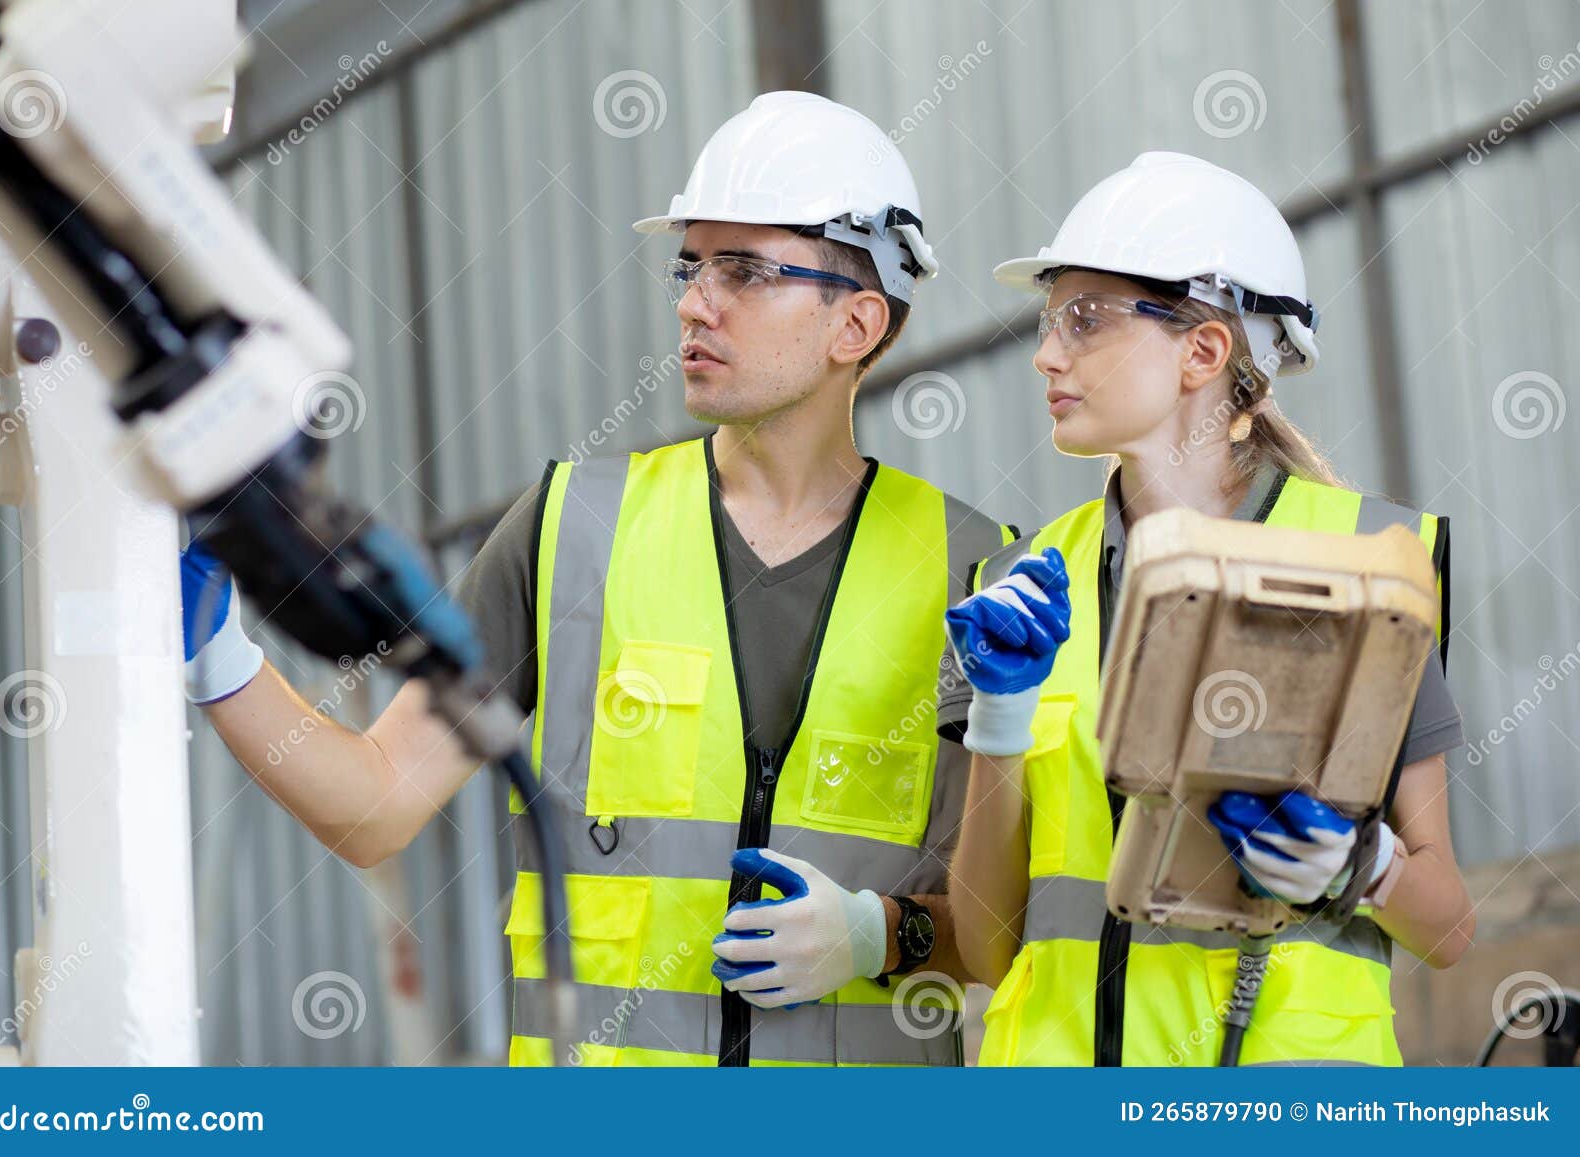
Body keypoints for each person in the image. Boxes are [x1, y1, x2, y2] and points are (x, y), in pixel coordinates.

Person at [180, 92, 1013, 1066]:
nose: (694, 302)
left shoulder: (976, 569)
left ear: (856, 323)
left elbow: (1008, 921)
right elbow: (373, 805)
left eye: (744, 270)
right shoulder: (572, 529)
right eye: (690, 266)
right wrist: (219, 658)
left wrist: (880, 933)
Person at [942, 152, 1475, 1066]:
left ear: (1203, 351)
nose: (1045, 352)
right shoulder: (1017, 584)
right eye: (1048, 318)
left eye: (1086, 318)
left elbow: (1449, 928)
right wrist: (998, 719)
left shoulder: (1369, 565)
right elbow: (987, 946)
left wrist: (1363, 867)